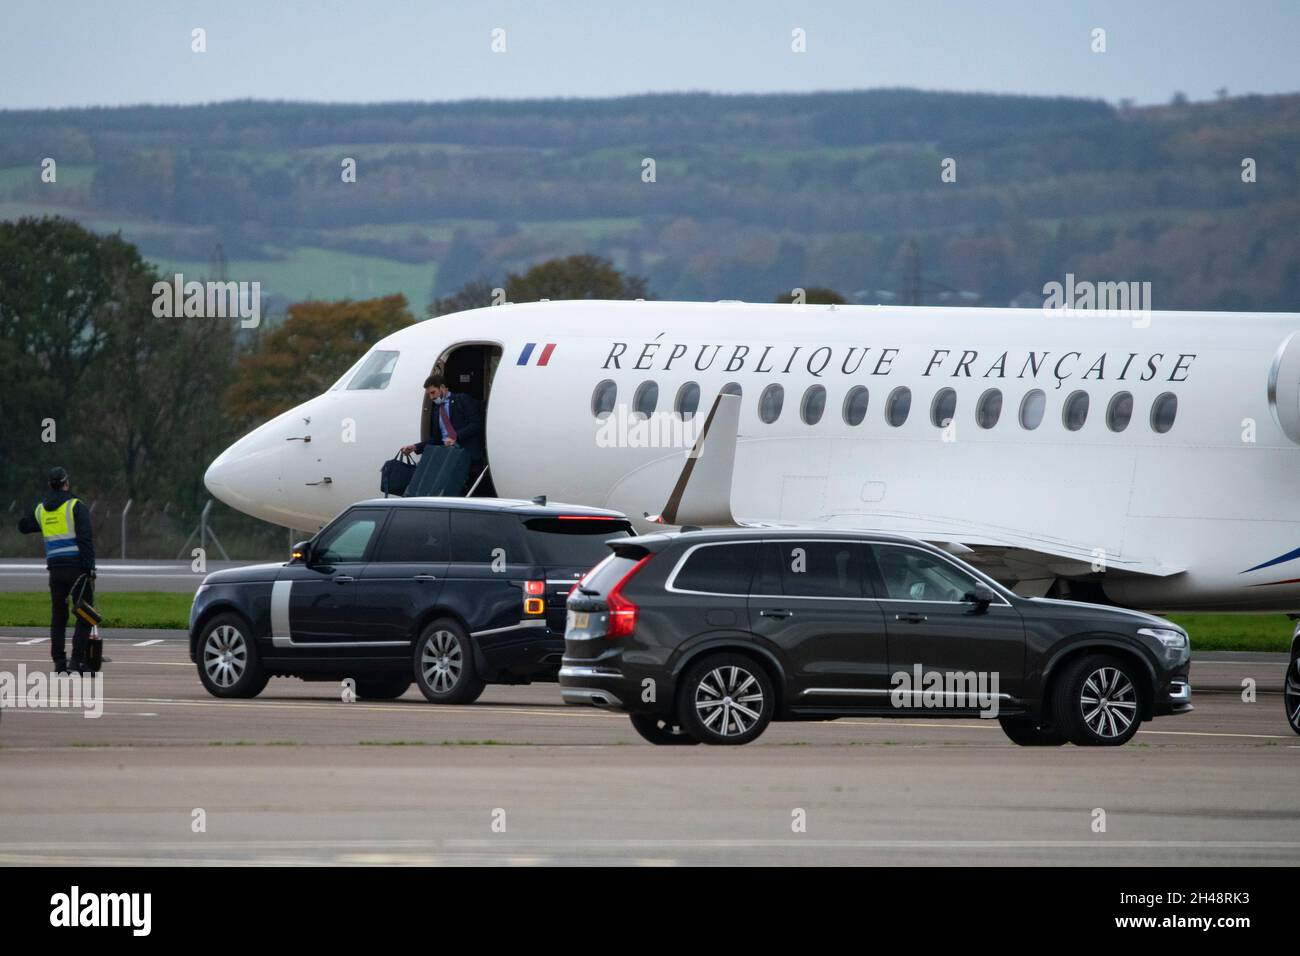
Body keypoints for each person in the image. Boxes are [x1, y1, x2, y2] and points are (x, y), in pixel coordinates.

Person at [16, 467, 96, 673]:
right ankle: (77, 661)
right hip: (77, 568)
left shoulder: (41, 510)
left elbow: (23, 526)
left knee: (59, 616)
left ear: (50, 485)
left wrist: (26, 506)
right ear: (66, 483)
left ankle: (59, 663)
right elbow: (85, 539)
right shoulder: (75, 506)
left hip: (55, 570)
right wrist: (90, 568)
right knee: (85, 615)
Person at [401, 374, 486, 493]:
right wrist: (416, 447)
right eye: (429, 394)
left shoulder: (462, 400)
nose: (431, 397)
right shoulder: (437, 411)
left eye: (433, 392)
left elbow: (477, 424)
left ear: (442, 387)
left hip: (465, 453)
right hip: (448, 455)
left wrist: (456, 437)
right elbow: (436, 439)